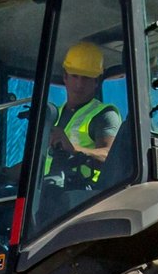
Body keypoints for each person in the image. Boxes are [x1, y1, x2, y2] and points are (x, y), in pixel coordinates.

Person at [45, 41, 123, 185]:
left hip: (84, 195)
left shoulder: (105, 115)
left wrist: (74, 150)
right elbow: (39, 161)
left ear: (96, 81)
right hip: (47, 188)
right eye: (75, 76)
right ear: (65, 77)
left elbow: (110, 157)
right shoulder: (54, 115)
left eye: (86, 78)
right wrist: (2, 172)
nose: (79, 84)